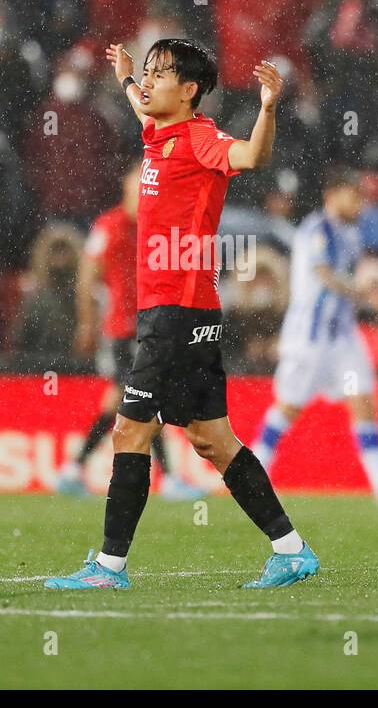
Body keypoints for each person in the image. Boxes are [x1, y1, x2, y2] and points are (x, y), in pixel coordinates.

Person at [45, 37, 318, 590]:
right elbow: (140, 104)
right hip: (185, 313)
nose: (147, 83)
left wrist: (267, 109)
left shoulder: (199, 138)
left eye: (159, 74)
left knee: (129, 431)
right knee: (212, 438)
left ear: (189, 90)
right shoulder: (158, 130)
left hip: (175, 313)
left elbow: (252, 157)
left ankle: (109, 568)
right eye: (147, 73)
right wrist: (127, 77)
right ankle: (291, 550)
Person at [251, 168, 378, 504]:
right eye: (354, 196)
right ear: (332, 195)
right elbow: (324, 274)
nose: (360, 203)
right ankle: (253, 469)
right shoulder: (317, 229)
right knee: (289, 406)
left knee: (363, 399)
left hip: (342, 337)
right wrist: (360, 288)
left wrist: (368, 293)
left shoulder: (351, 233)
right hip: (310, 337)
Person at [56, 163, 206, 502]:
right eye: (139, 189)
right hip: (122, 331)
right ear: (126, 191)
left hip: (147, 328)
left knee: (119, 401)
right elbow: (87, 276)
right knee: (146, 398)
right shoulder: (109, 227)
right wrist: (86, 323)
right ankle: (169, 478)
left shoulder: (157, 227)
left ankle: (73, 469)